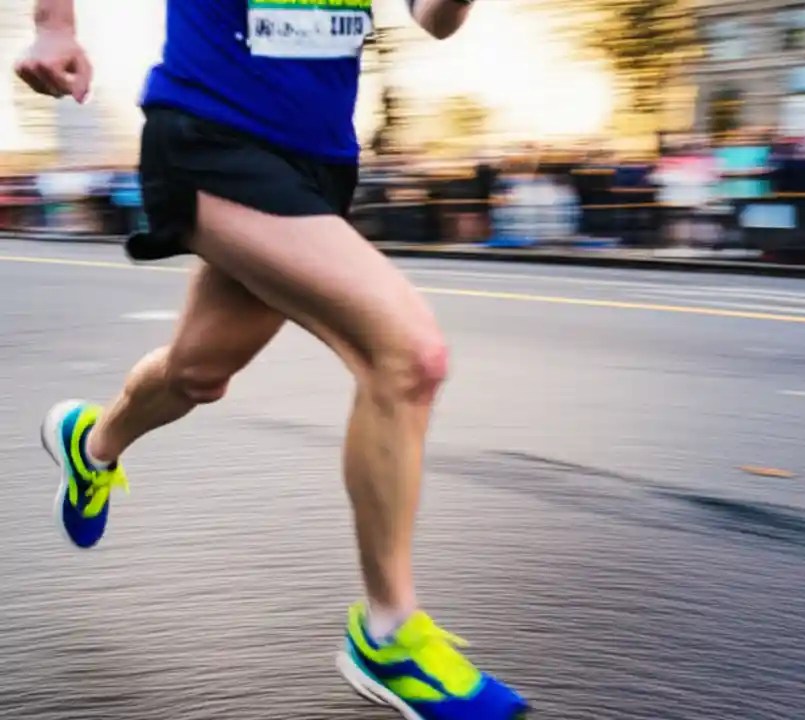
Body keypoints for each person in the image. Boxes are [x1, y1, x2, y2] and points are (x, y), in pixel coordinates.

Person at [15, 1, 527, 718]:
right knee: (409, 355)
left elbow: (434, 17)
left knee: (199, 374)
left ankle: (91, 443)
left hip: (320, 159)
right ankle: (388, 635)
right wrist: (55, 24)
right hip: (211, 127)